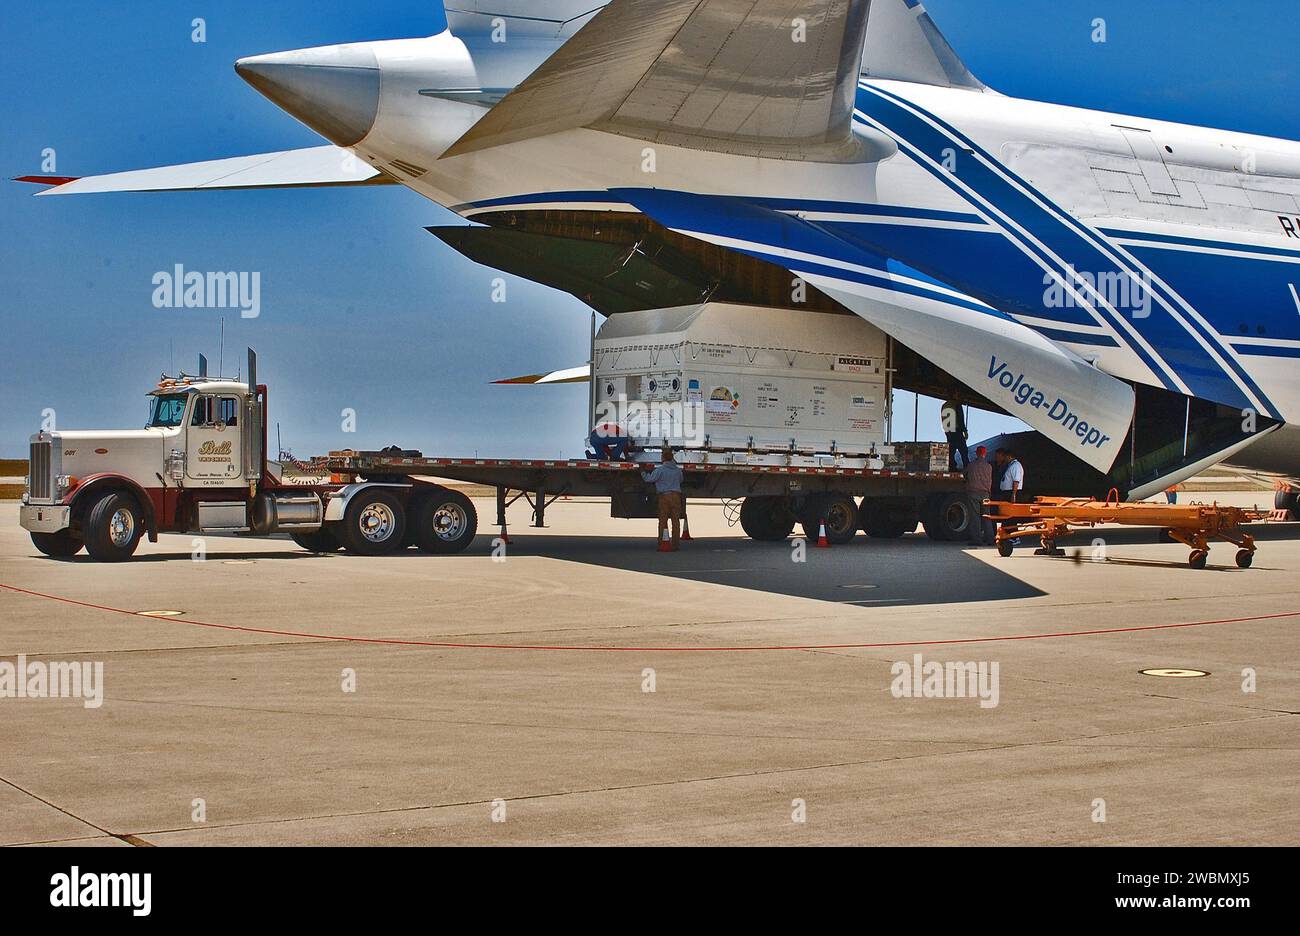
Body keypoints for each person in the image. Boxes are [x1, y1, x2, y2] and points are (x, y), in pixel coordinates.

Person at [642, 445, 684, 550]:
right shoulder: (678, 470)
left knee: (663, 520)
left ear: (663, 458)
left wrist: (642, 471)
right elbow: (681, 480)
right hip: (676, 496)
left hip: (664, 497)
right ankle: (675, 544)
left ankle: (663, 542)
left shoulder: (660, 470)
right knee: (676, 521)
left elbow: (649, 479)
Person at [964, 445, 995, 546]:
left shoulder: (971, 465)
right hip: (985, 494)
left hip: (973, 493)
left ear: (977, 453)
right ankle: (990, 539)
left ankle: (977, 539)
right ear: (985, 454)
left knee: (975, 516)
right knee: (986, 516)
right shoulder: (989, 466)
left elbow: (965, 474)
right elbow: (990, 480)